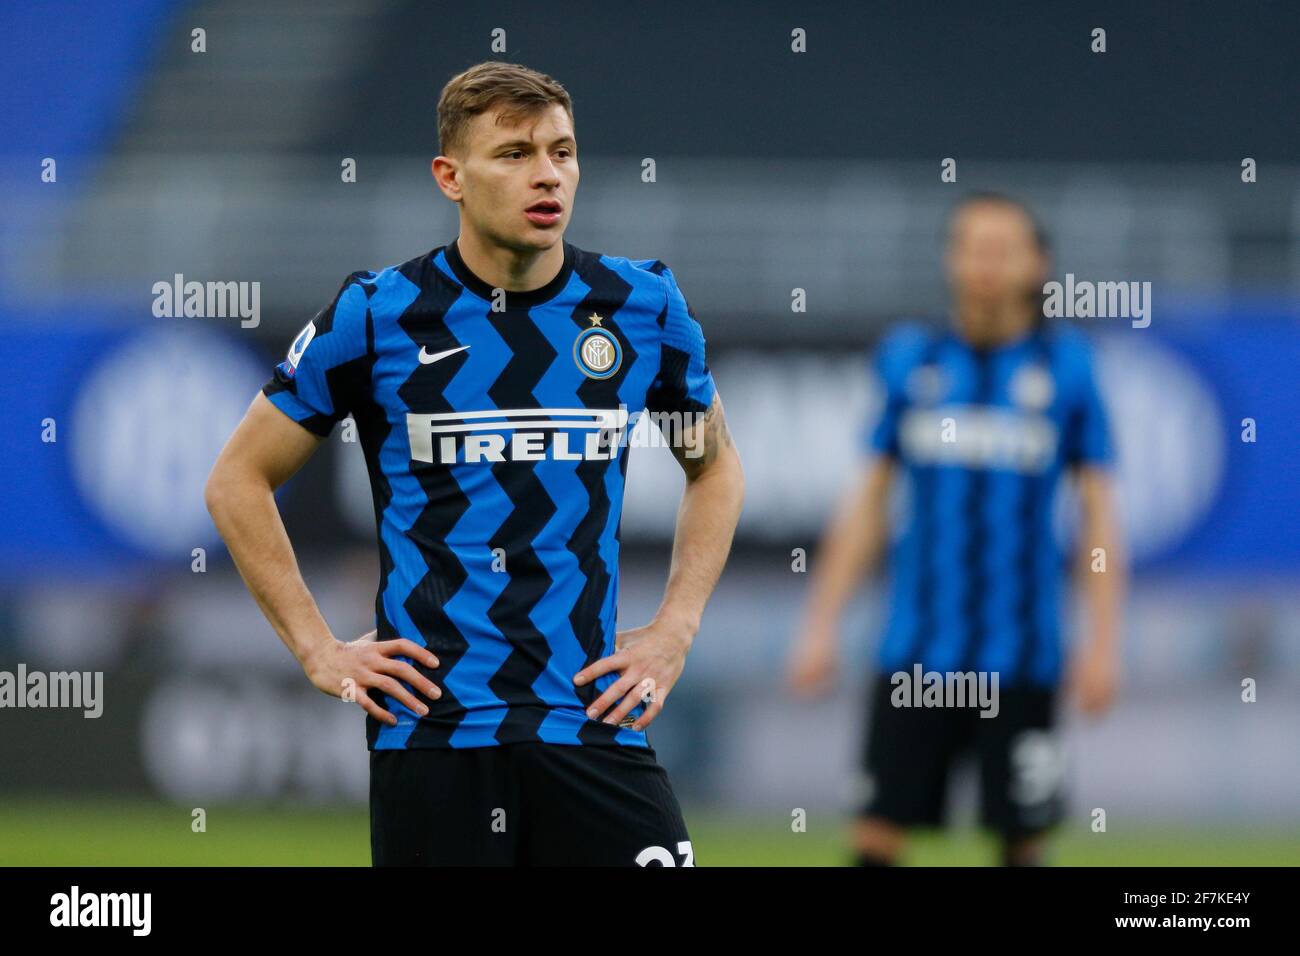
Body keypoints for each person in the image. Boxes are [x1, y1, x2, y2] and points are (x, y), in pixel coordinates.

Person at [205, 61, 744, 866]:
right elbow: (236, 481)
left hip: (589, 720)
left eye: (562, 153)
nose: (547, 176)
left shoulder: (642, 309)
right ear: (450, 177)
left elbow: (715, 469)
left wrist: (676, 628)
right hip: (436, 732)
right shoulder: (377, 317)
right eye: (515, 154)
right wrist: (320, 649)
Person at [788, 193, 1125, 866]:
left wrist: (1103, 643)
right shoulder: (910, 358)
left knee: (1023, 839)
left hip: (1024, 656)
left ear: (1039, 265)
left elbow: (1098, 517)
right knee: (877, 833)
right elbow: (868, 503)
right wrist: (820, 623)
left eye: (1003, 249)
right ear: (951, 258)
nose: (985, 263)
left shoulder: (1070, 367)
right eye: (971, 246)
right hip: (915, 654)